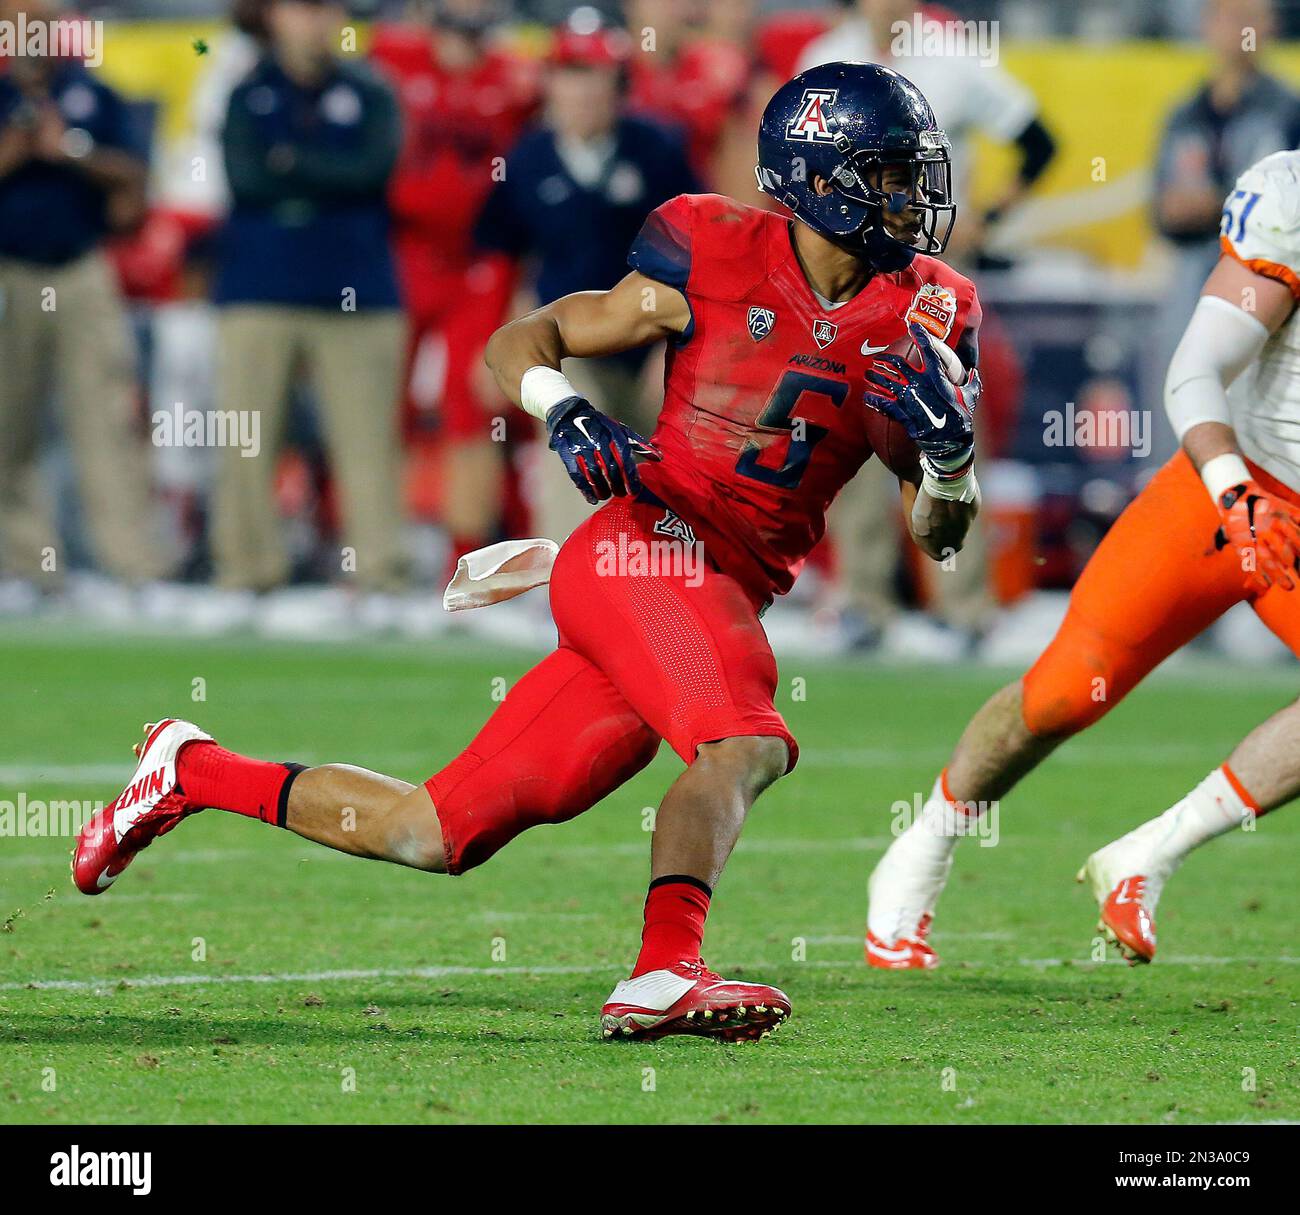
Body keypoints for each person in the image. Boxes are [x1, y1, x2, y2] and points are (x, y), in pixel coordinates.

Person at [75, 62, 983, 1041]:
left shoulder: (930, 308)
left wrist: (950, 462)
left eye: (911, 175)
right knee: (745, 741)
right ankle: (663, 971)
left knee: (432, 832)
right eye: (888, 174)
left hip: (714, 595)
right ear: (814, 177)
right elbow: (525, 337)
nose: (910, 198)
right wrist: (565, 408)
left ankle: (192, 770)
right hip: (642, 549)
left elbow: (937, 535)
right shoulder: (715, 248)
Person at [866, 149, 1300, 969]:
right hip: (1225, 492)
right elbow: (1196, 368)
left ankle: (1146, 855)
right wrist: (1235, 489)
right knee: (1063, 693)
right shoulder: (1292, 203)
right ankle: (921, 848)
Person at [800, 0, 1053, 649]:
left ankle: (965, 603)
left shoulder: (954, 56)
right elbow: (797, 171)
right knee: (850, 420)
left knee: (946, 418)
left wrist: (987, 218)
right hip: (848, 262)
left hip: (928, 261)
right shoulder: (823, 59)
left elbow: (1038, 140)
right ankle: (862, 597)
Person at [472, 14, 698, 545]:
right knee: (573, 436)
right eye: (569, 73)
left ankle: (702, 578)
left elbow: (699, 251)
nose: (579, 89)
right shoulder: (525, 158)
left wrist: (682, 343)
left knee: (685, 459)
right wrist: (500, 343)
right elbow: (505, 257)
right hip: (567, 339)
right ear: (549, 83)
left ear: (619, 84)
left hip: (653, 340)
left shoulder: (658, 151)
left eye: (592, 73)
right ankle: (567, 576)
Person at [210, 0, 406, 595]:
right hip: (260, 286)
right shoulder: (244, 90)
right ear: (273, 16)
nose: (314, 22)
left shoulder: (370, 89)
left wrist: (290, 166)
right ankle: (246, 574)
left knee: (368, 442)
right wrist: (329, 177)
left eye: (325, 9)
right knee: (246, 439)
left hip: (358, 288)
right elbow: (244, 179)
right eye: (301, 8)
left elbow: (375, 170)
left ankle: (379, 578)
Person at [0, 0, 169, 591]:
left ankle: (131, 570)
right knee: (8, 424)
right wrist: (17, 150)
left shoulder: (93, 93)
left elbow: (136, 183)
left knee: (104, 418)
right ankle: (28, 567)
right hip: (8, 273)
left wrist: (70, 151)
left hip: (80, 269)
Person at [370, 0, 538, 572]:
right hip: (404, 250)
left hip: (480, 260)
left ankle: (467, 561)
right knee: (378, 402)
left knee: (473, 405)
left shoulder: (515, 81)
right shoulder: (388, 60)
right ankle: (375, 555)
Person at [1149, 0, 1300, 462]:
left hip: (1265, 279)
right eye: (1228, 17)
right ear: (1207, 25)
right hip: (1192, 275)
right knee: (1179, 385)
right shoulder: (1185, 113)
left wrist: (1210, 202)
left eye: (1251, 18)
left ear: (1271, 27)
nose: (1240, 30)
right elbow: (1163, 209)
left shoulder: (1287, 112)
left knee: (1254, 408)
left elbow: (1285, 207)